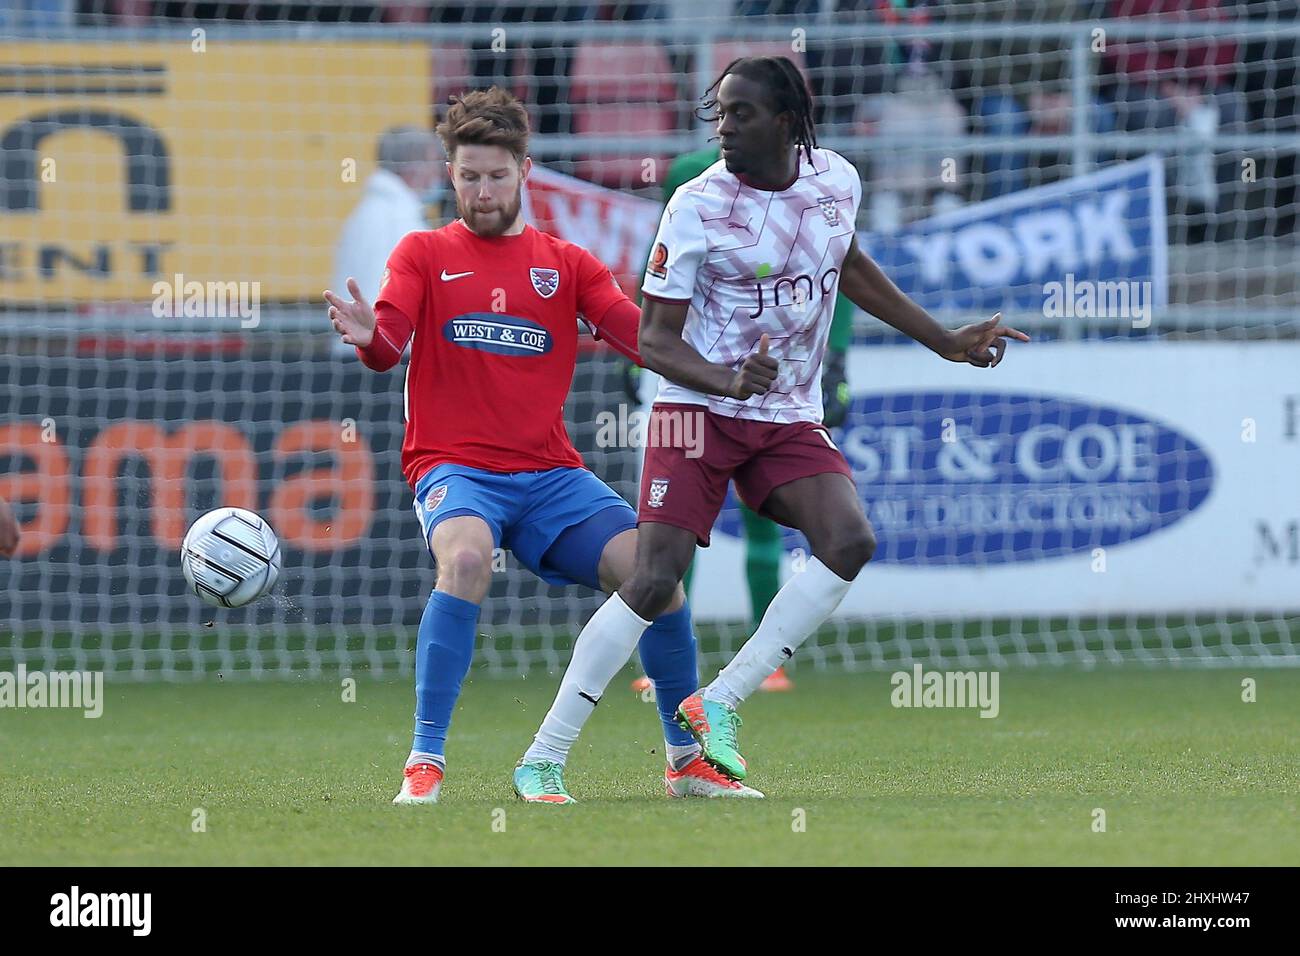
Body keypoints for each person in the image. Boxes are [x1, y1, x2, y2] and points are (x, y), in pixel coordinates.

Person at [515, 56, 1028, 796]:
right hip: (695, 411)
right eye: (719, 112)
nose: (724, 126)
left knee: (849, 540)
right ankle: (543, 758)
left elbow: (846, 264)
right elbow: (654, 339)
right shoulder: (695, 204)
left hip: (783, 413)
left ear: (787, 121)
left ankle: (716, 702)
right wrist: (726, 378)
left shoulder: (836, 181)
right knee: (654, 578)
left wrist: (942, 339)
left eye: (742, 113)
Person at [324, 87, 758, 805]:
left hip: (551, 474)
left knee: (657, 578)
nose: (482, 190)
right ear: (450, 173)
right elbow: (390, 343)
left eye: (496, 175)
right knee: (463, 559)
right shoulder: (423, 253)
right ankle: (425, 761)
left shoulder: (567, 264)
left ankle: (685, 760)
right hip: (456, 467)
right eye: (468, 176)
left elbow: (645, 342)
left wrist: (728, 372)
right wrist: (371, 336)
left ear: (524, 170)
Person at [629, 141, 857, 694]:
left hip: (775, 396)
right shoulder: (690, 194)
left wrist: (838, 358)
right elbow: (654, 292)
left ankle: (761, 659)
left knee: (787, 530)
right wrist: (631, 356)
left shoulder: (823, 194)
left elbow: (843, 279)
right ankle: (659, 664)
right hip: (691, 395)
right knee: (668, 543)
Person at [331, 125, 443, 310]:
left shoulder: (369, 211)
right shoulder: (400, 222)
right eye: (433, 163)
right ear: (414, 168)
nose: (438, 173)